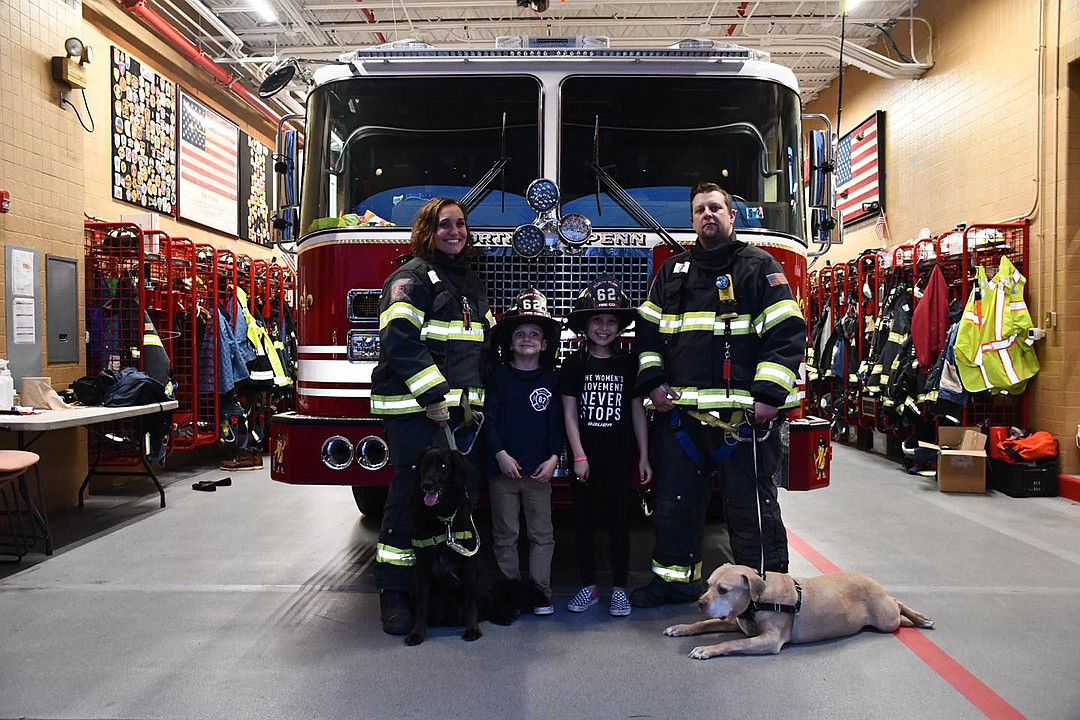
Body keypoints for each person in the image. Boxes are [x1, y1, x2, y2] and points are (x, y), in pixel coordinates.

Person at [630, 182, 806, 608]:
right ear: (692, 221)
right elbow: (647, 335)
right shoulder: (671, 273)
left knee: (751, 508)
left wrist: (767, 396)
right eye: (699, 210)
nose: (707, 215)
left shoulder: (759, 268)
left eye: (715, 208)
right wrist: (653, 385)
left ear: (731, 216)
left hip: (742, 422)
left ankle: (770, 590)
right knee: (674, 506)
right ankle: (676, 582)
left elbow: (787, 333)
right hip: (682, 422)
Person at [370, 198, 493, 635]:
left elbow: (478, 348)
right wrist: (432, 395)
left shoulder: (470, 284)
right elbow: (400, 341)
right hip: (416, 414)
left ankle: (446, 593)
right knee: (408, 501)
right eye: (444, 225)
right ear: (427, 230)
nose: (455, 231)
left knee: (454, 503)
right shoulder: (410, 278)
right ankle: (395, 595)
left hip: (458, 420)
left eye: (460, 224)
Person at [558, 277, 652, 617]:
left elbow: (637, 411)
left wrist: (643, 455)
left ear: (620, 326)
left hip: (619, 456)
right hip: (585, 458)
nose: (603, 327)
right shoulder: (573, 365)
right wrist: (579, 455)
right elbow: (569, 414)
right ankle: (588, 586)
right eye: (597, 320)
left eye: (611, 321)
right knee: (584, 523)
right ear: (585, 324)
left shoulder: (628, 364)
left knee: (619, 524)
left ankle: (619, 589)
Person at [483, 288, 564, 616]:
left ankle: (541, 592)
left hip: (539, 471)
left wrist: (554, 458)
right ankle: (510, 592)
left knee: (542, 533)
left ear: (545, 344)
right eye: (520, 334)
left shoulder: (552, 380)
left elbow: (557, 424)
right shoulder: (498, 377)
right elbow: (488, 420)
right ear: (510, 342)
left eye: (535, 334)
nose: (527, 339)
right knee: (505, 533)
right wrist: (500, 454)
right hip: (503, 470)